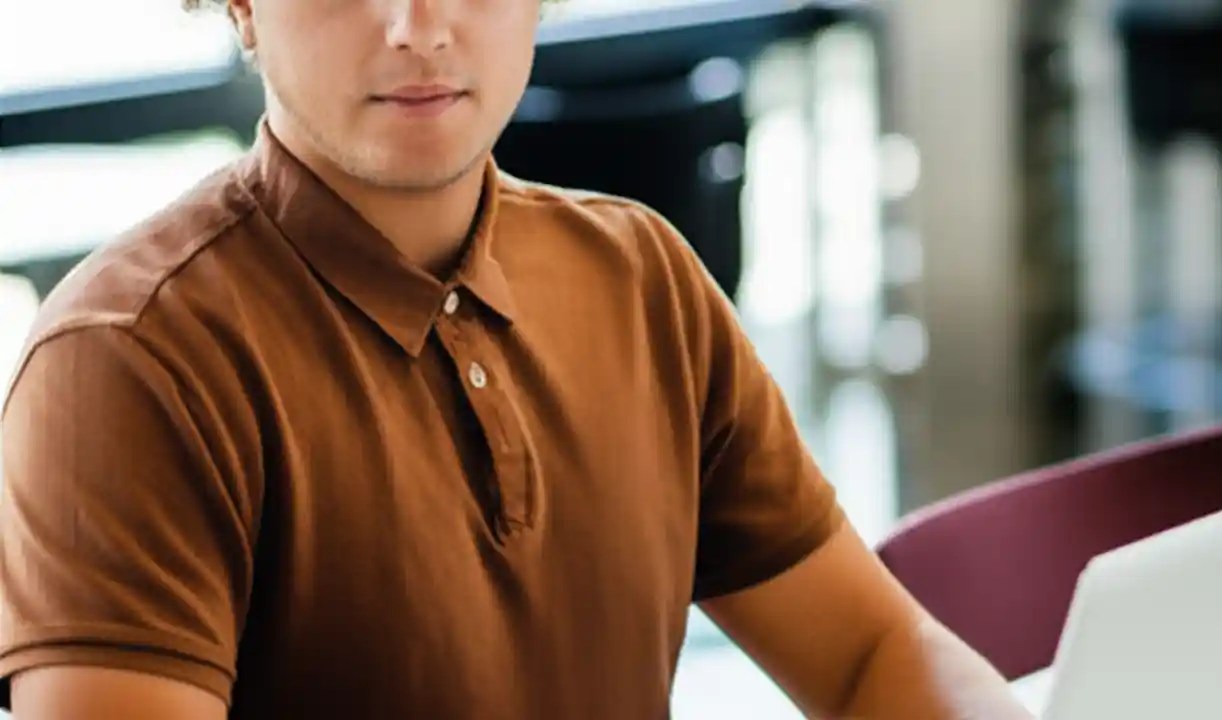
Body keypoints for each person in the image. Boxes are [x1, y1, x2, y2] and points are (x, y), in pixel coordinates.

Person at [0, 1, 1033, 718]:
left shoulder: (639, 276)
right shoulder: (126, 365)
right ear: (239, 4)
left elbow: (866, 658)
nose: (419, 28)